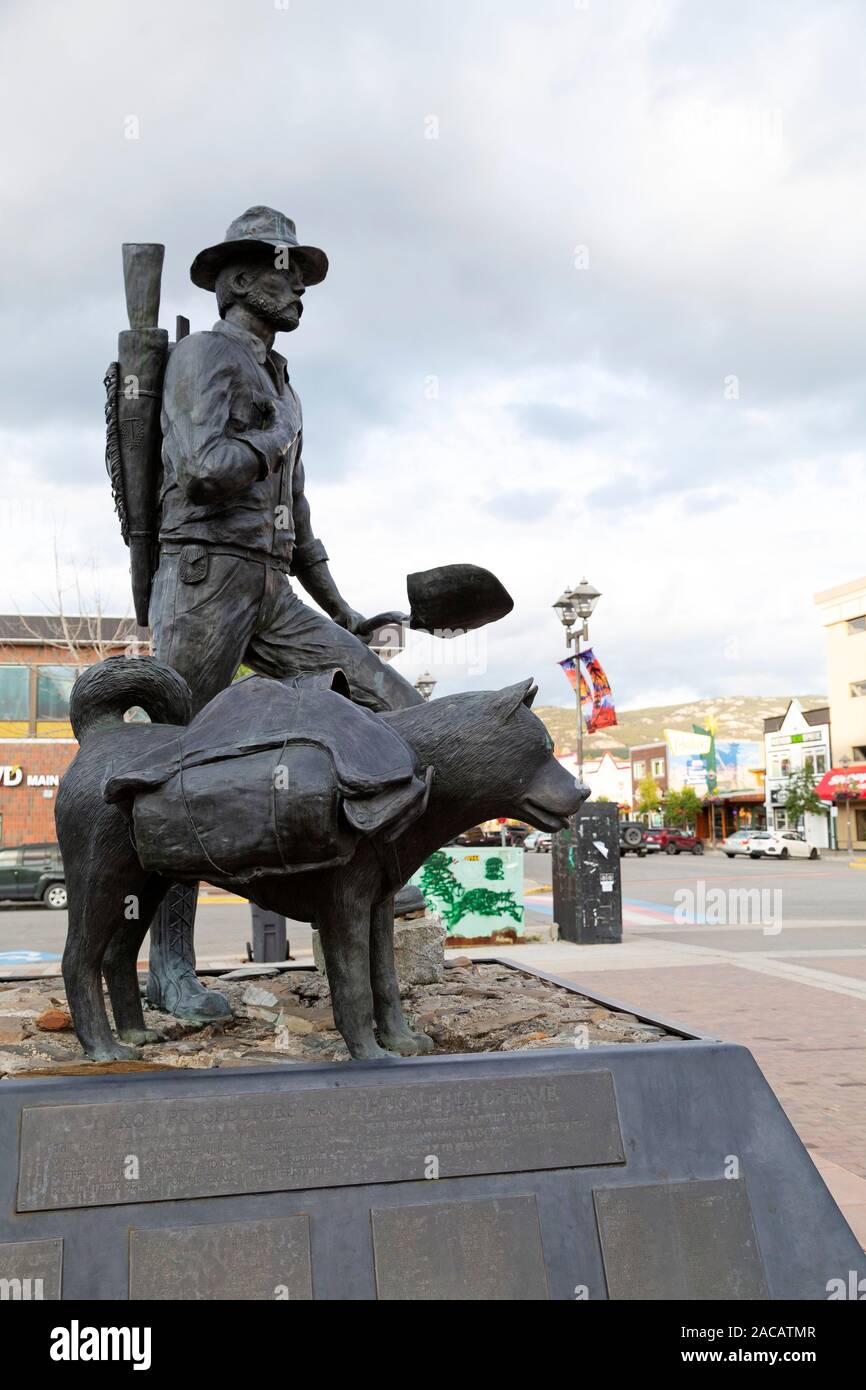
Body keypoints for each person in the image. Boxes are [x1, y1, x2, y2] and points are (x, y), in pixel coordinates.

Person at [147, 206, 422, 1022]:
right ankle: (168, 969)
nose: (297, 283)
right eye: (281, 267)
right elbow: (203, 472)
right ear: (237, 281)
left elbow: (296, 516)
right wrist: (274, 435)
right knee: (177, 761)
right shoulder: (206, 356)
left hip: (272, 586)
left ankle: (383, 886)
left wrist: (345, 611)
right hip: (204, 576)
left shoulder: (281, 380)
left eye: (301, 270)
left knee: (387, 700)